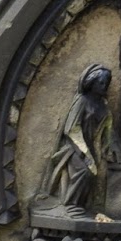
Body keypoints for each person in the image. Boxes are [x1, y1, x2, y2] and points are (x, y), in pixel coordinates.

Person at [37, 64, 114, 213]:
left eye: (107, 83)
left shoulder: (102, 104)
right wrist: (85, 153)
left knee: (94, 175)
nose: (105, 86)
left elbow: (107, 124)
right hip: (75, 148)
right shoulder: (82, 101)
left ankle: (81, 206)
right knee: (84, 172)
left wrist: (111, 143)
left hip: (92, 146)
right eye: (101, 82)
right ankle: (71, 206)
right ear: (91, 82)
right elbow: (72, 129)